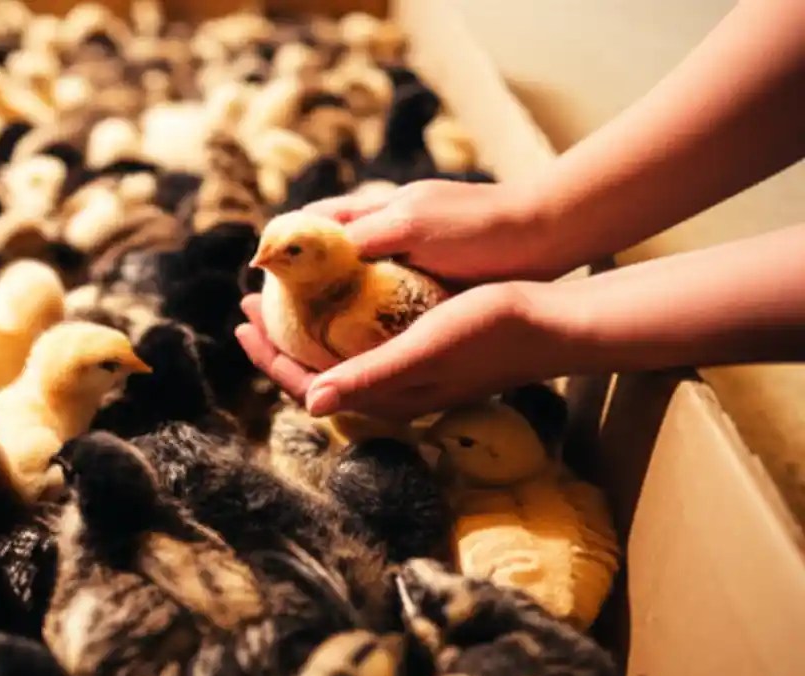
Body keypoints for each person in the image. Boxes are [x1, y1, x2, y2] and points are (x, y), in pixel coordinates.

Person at [236, 0, 805, 420]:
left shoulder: (368, 308)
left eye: (286, 251)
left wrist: (545, 323)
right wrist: (533, 221)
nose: (262, 261)